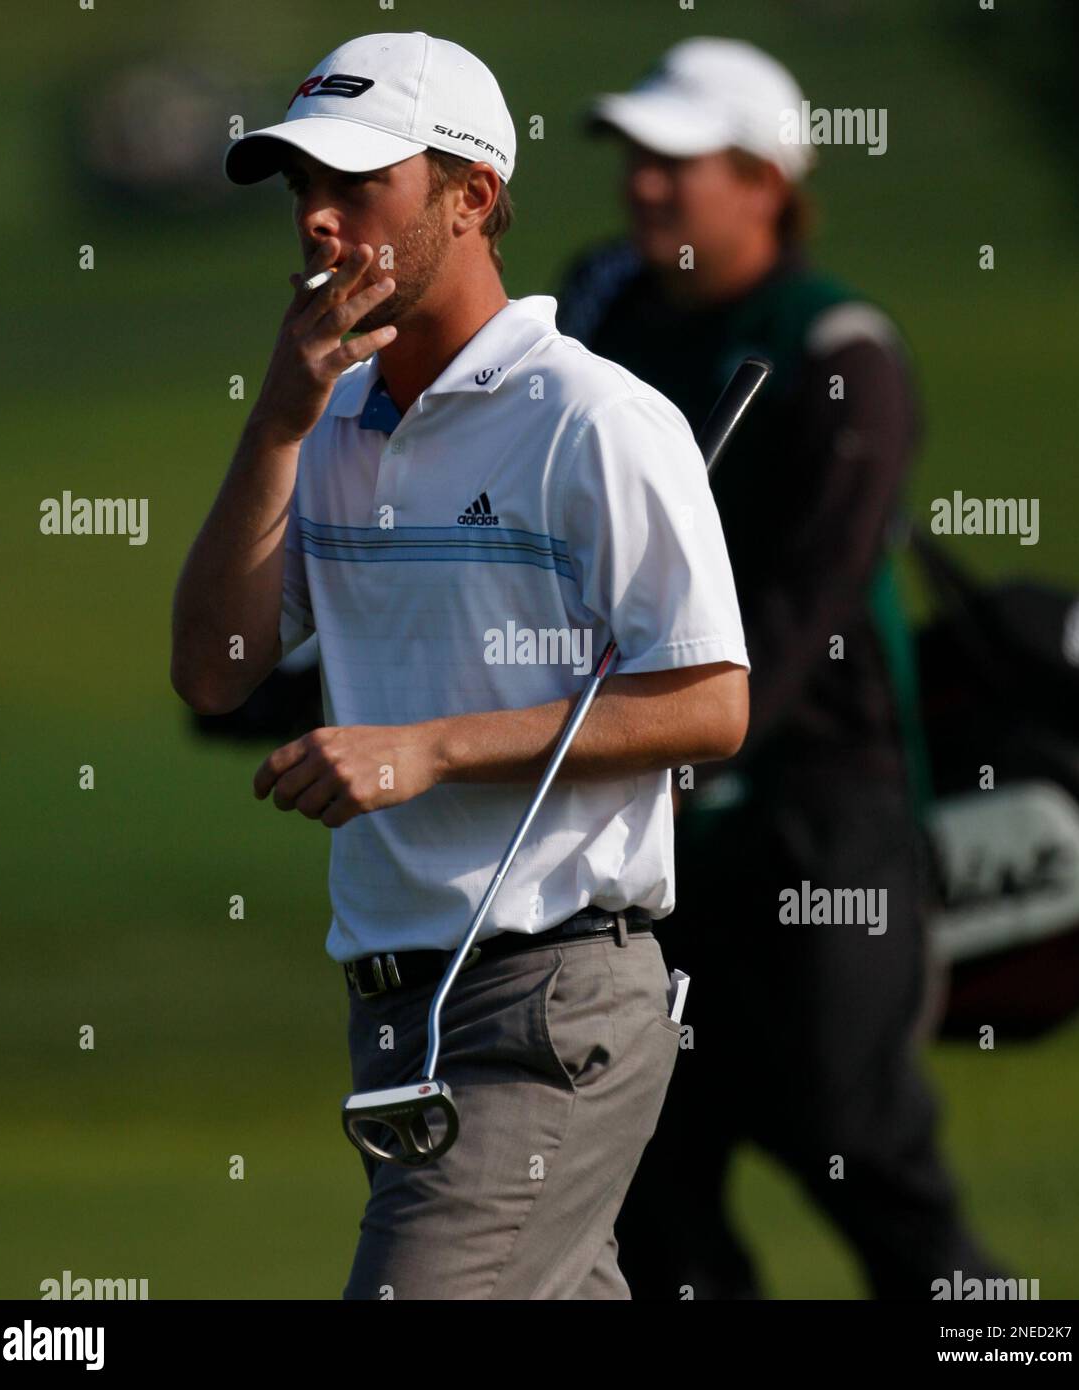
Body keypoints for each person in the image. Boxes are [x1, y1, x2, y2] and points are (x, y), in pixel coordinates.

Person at [170, 31, 751, 1300]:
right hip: (395, 1008)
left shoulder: (592, 419)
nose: (317, 222)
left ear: (469, 197)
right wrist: (276, 424)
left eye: (356, 185)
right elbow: (215, 672)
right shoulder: (323, 421)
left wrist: (425, 748)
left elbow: (710, 702)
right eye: (297, 189)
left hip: (548, 997)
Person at [557, 37, 1005, 1298]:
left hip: (818, 815)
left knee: (856, 1142)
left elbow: (797, 618)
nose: (642, 186)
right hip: (646, 817)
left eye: (675, 163)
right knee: (655, 1184)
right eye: (635, 162)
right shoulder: (602, 314)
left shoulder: (836, 348)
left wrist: (655, 737)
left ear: (763, 181)